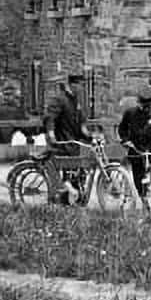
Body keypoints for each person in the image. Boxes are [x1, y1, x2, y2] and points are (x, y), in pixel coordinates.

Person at [118, 84, 151, 214]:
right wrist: (126, 141)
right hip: (136, 149)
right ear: (138, 103)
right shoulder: (130, 113)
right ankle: (144, 202)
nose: (144, 109)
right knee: (138, 177)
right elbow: (122, 129)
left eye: (147, 106)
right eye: (142, 105)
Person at [43, 69, 94, 205]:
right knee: (57, 171)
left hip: (73, 143)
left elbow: (81, 123)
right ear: (72, 85)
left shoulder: (77, 101)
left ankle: (74, 200)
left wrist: (88, 136)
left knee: (76, 172)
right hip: (59, 142)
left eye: (83, 85)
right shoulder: (59, 99)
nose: (82, 88)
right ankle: (57, 196)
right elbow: (50, 118)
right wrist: (51, 134)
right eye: (80, 85)